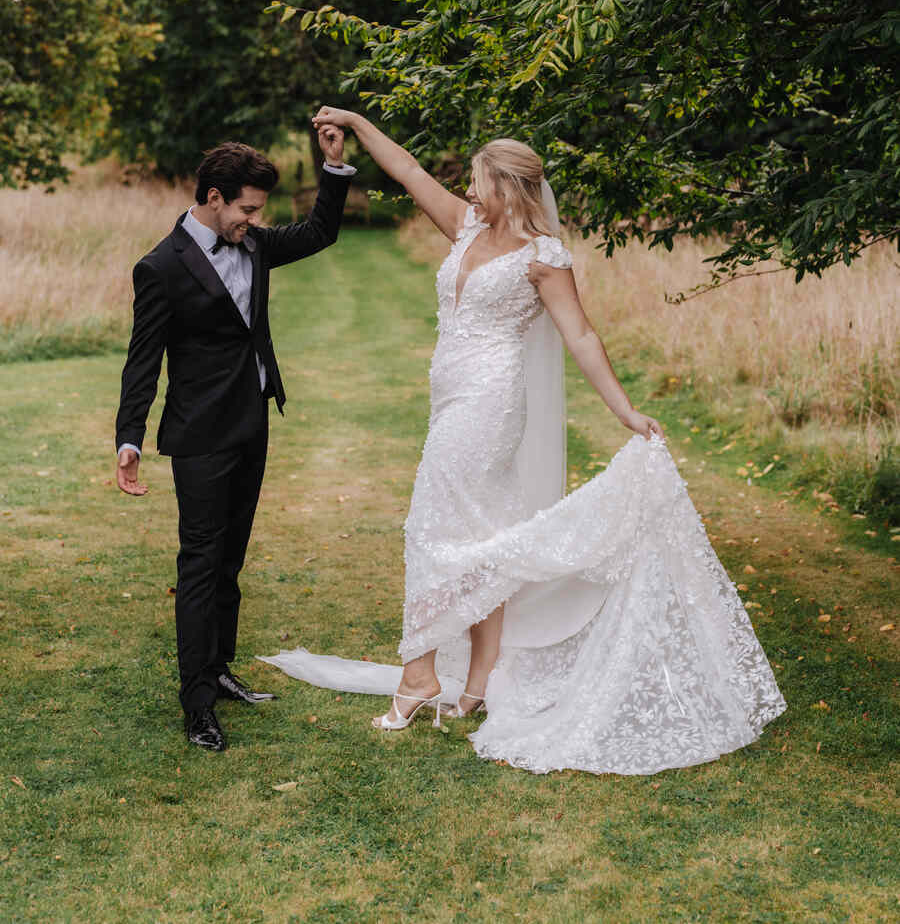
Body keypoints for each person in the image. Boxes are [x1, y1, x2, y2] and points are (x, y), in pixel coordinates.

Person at [262, 111, 786, 775]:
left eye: (479, 183)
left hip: (488, 402)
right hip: (448, 395)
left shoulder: (542, 258)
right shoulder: (465, 224)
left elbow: (583, 337)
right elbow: (409, 170)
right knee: (482, 530)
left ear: (510, 189)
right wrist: (358, 127)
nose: (469, 191)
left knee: (428, 526)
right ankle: (477, 682)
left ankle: (419, 675)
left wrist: (624, 410)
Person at [114, 132, 354, 752]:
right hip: (199, 436)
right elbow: (144, 362)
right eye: (247, 209)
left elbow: (321, 233)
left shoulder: (254, 245)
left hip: (253, 423)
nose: (257, 221)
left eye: (259, 212)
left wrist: (333, 164)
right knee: (198, 566)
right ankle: (196, 703)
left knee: (229, 562)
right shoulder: (161, 267)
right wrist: (129, 439)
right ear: (214, 199)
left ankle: (219, 670)